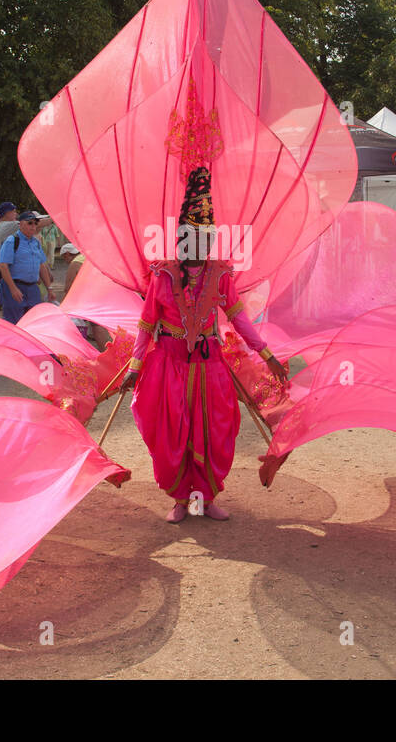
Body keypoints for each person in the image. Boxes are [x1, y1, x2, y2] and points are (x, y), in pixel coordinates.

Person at [120, 167, 289, 523]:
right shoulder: (162, 275)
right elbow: (147, 325)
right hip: (169, 365)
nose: (203, 246)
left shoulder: (221, 275)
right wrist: (135, 368)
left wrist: (267, 355)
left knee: (214, 430)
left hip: (210, 366)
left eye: (207, 239)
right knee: (172, 433)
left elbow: (240, 320)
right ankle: (181, 500)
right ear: (182, 241)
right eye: (195, 240)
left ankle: (206, 497)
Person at [0, 211, 56, 323]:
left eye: (35, 223)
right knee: (15, 322)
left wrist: (49, 288)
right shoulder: (12, 241)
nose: (33, 227)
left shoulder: (36, 242)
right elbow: (3, 266)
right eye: (30, 223)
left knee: (34, 321)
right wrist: (13, 289)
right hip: (15, 286)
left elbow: (42, 266)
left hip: (32, 288)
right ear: (20, 224)